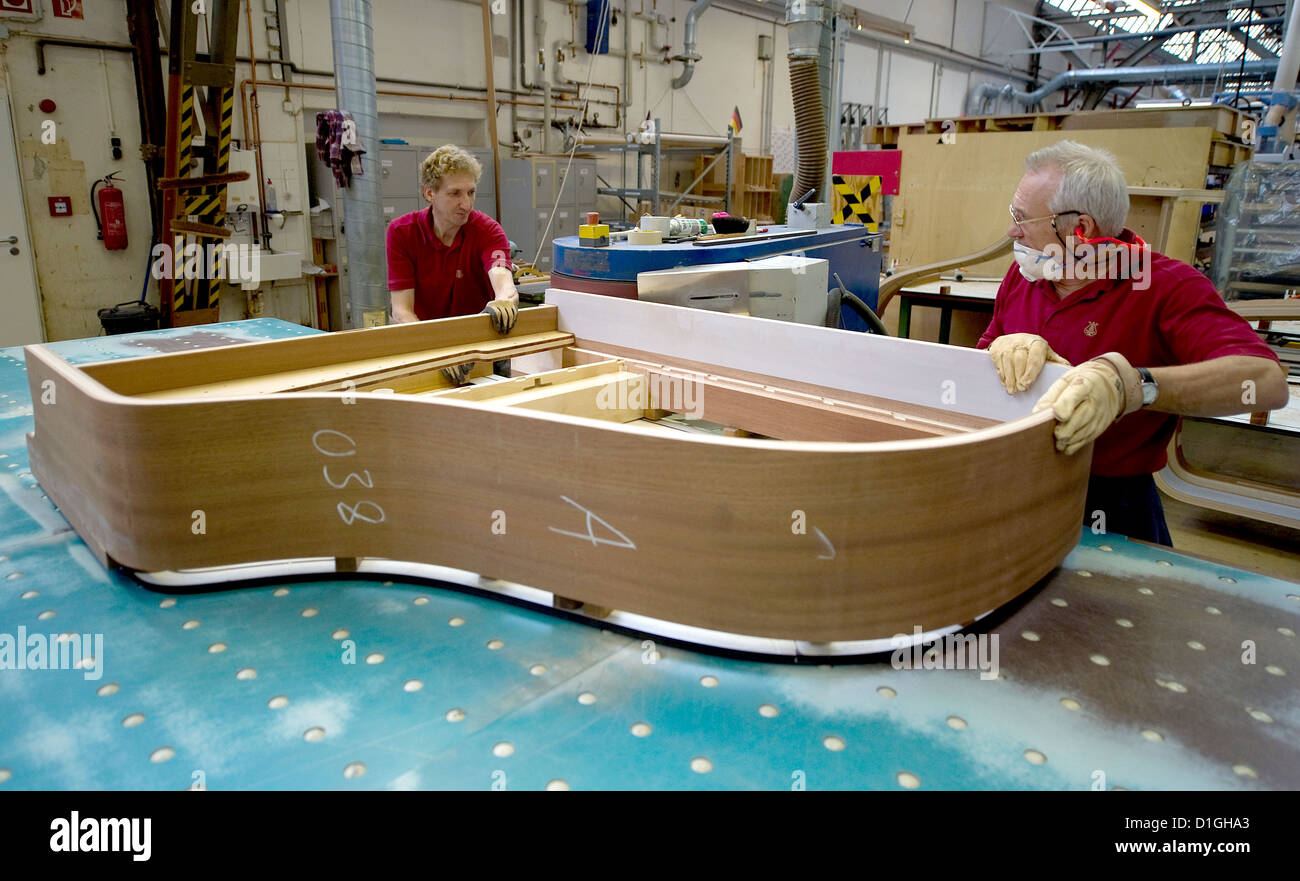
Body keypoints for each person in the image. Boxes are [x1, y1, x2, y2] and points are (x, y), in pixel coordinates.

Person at [979, 140, 1289, 545]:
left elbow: (1266, 382)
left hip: (1110, 504)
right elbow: (980, 360)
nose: (1011, 231)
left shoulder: (1165, 287)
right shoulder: (1024, 277)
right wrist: (994, 351)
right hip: (1010, 484)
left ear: (1079, 229)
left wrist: (1131, 386)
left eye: (1021, 218)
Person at [386, 144, 519, 382]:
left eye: (471, 192)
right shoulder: (402, 233)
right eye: (455, 193)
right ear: (429, 193)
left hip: (481, 348)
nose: (466, 204)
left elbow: (501, 277)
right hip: (426, 345)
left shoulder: (488, 230)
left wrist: (505, 300)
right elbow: (401, 311)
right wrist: (437, 352)